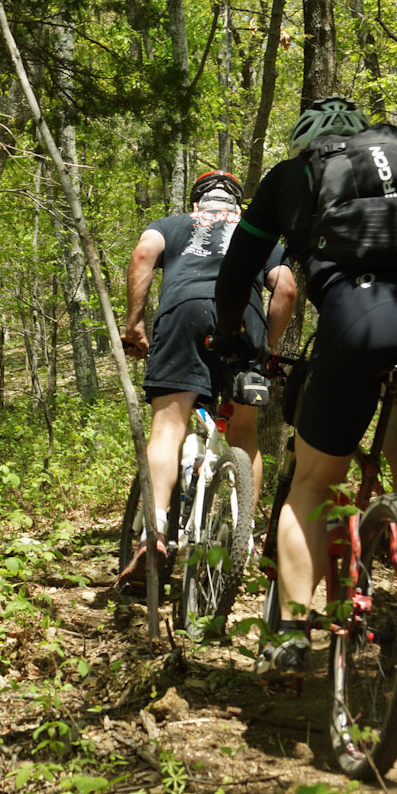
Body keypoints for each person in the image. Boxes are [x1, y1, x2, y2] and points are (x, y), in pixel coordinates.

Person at [211, 97, 397, 675]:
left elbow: (236, 273)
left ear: (306, 144)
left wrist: (233, 334)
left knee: (311, 479)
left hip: (359, 320)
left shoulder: (290, 175)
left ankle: (293, 631)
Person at [118, 169, 297, 592]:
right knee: (243, 431)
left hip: (182, 313)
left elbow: (144, 254)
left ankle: (155, 533)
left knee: (168, 427)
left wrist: (135, 322)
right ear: (238, 205)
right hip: (243, 317)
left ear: (197, 203)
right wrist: (263, 347)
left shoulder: (173, 224)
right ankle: (240, 531)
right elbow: (285, 290)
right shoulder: (259, 234)